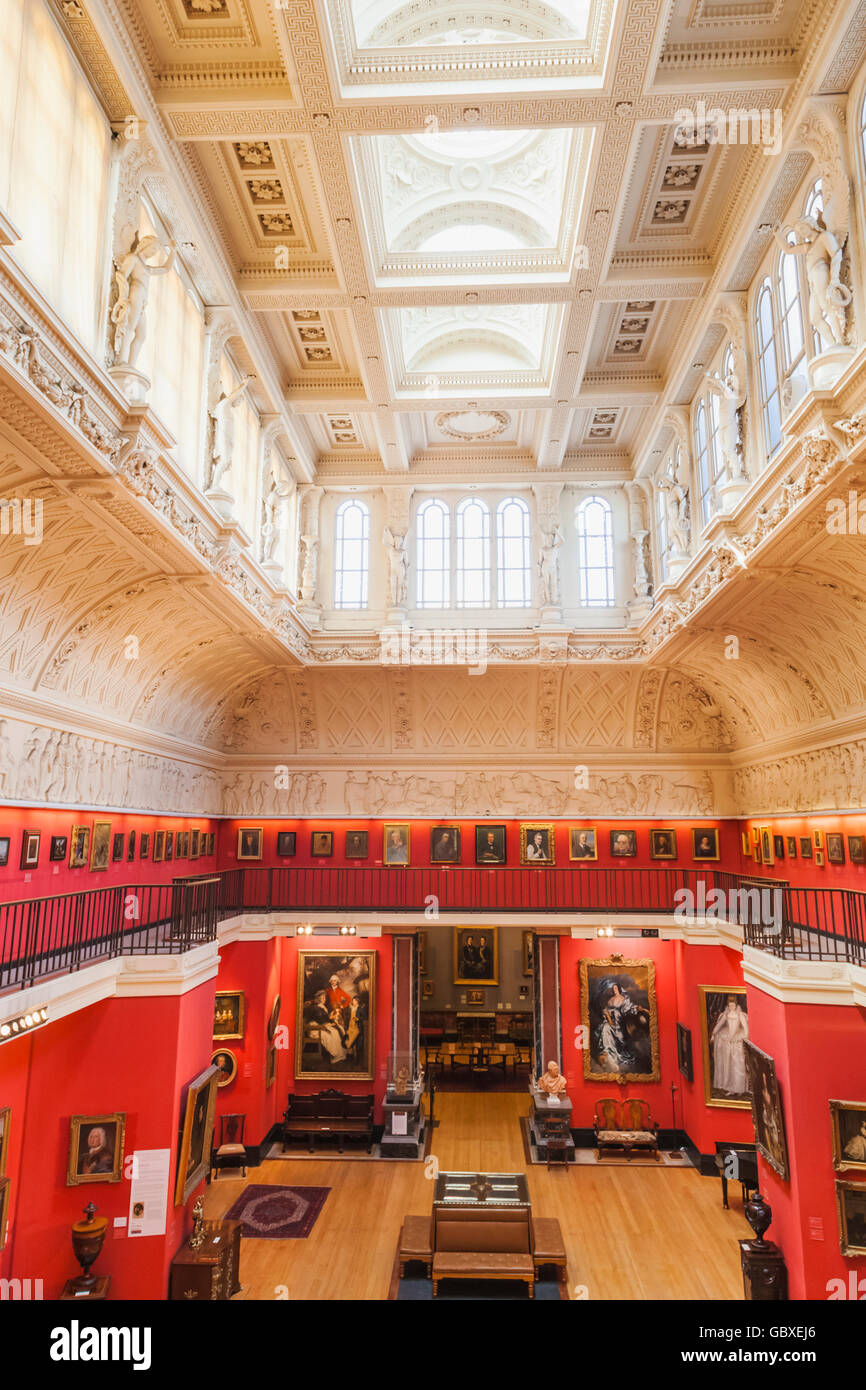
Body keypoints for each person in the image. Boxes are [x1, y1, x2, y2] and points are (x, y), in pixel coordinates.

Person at [710, 995, 749, 1096]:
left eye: (733, 1006)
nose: (732, 1007)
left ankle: (740, 1089)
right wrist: (714, 1034)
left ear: (736, 1005)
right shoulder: (726, 1014)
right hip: (728, 1042)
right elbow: (719, 1025)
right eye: (730, 1006)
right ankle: (731, 1088)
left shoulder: (740, 1015)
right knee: (729, 1066)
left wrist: (740, 1038)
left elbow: (746, 1030)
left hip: (737, 1043)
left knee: (738, 1066)